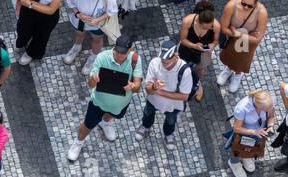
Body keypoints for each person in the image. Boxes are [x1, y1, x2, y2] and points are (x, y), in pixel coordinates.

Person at [67, 34, 143, 164]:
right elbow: (90, 84)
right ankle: (78, 143)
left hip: (120, 103)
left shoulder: (135, 60)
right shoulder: (102, 57)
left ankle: (105, 123)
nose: (119, 55)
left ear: (129, 51)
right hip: (98, 102)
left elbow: (137, 86)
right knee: (88, 124)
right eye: (117, 51)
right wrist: (93, 79)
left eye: (122, 53)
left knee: (110, 115)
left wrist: (132, 86)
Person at [138, 42, 193, 148]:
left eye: (167, 60)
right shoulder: (155, 63)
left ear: (176, 56)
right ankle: (146, 126)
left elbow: (184, 96)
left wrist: (160, 92)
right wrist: (154, 87)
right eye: (163, 60)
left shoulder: (185, 71)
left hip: (173, 105)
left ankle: (168, 134)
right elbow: (148, 90)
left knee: (171, 120)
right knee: (148, 113)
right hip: (153, 100)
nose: (164, 63)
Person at [215, 0, 267, 95]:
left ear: (256, 3)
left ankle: (238, 74)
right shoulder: (232, 5)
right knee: (230, 55)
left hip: (247, 42)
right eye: (244, 4)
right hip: (233, 39)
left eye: (250, 6)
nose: (246, 7)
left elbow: (257, 39)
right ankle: (229, 69)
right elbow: (224, 27)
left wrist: (237, 33)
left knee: (242, 60)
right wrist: (247, 34)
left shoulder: (261, 12)